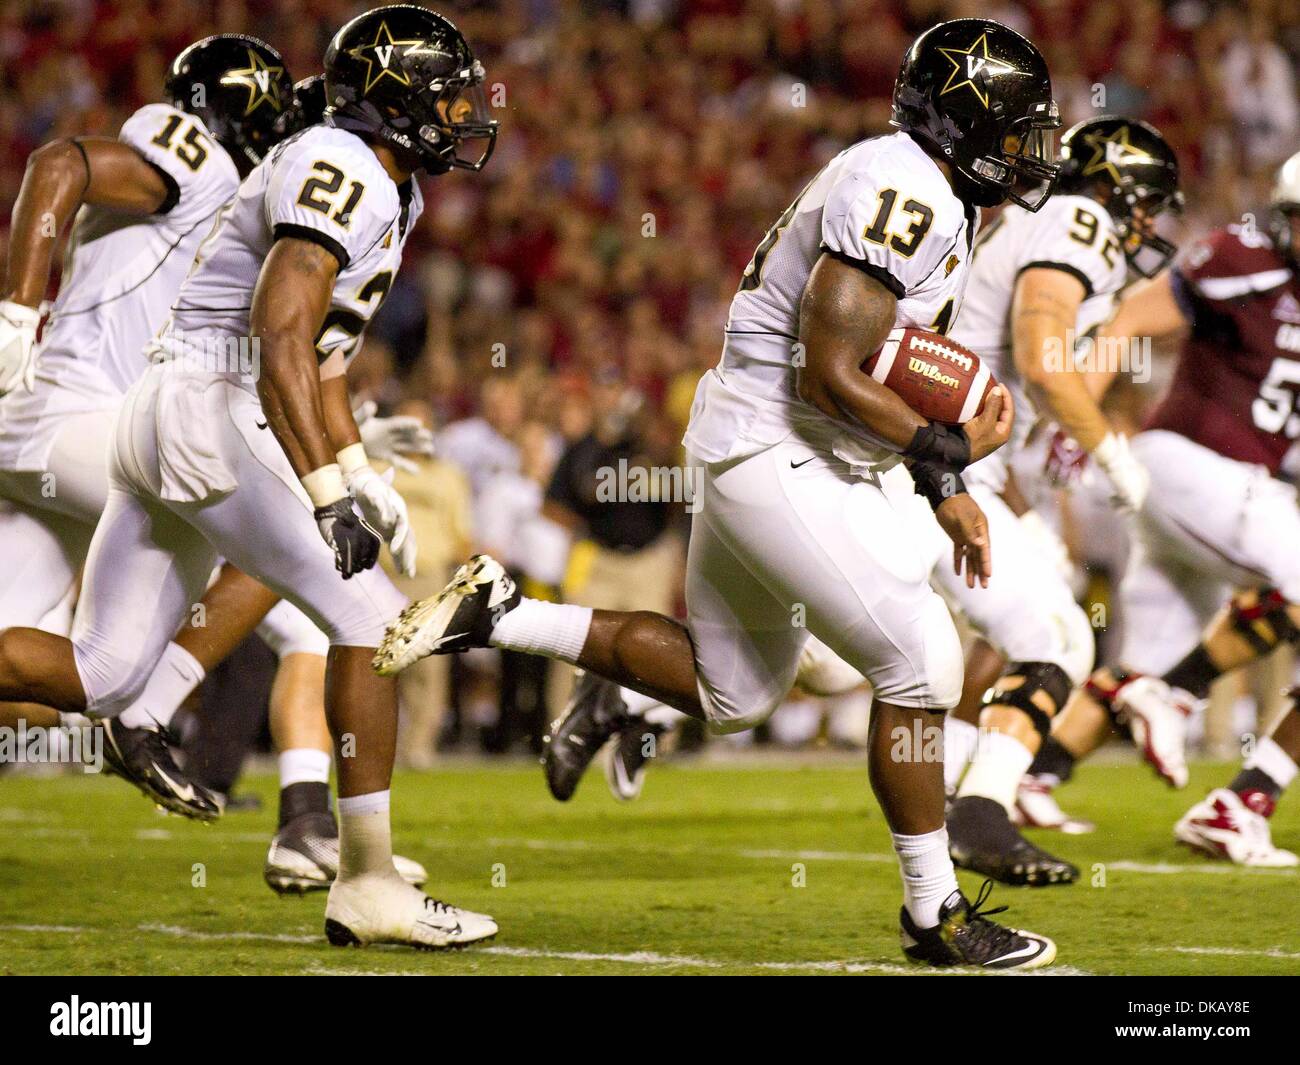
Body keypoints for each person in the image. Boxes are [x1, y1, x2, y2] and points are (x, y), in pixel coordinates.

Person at [380, 18, 1062, 969]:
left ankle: (500, 615)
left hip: (777, 445)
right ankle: (933, 912)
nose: (1028, 149)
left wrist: (938, 473)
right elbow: (832, 369)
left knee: (728, 690)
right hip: (779, 447)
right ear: (961, 123)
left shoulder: (932, 189)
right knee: (925, 664)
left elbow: (882, 364)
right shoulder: (904, 187)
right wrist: (944, 441)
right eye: (1014, 127)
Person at [0, 5, 500, 951]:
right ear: (394, 100)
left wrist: (356, 465)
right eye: (448, 94)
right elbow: (279, 336)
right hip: (206, 406)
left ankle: (336, 848)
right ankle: (365, 879)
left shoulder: (382, 178)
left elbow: (328, 359)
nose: (464, 110)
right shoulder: (346, 166)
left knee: (103, 676)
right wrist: (326, 491)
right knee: (368, 619)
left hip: (160, 406)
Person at [1023, 149, 1300, 868]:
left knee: (1138, 661)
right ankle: (1215, 760)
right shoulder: (1245, 258)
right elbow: (1126, 321)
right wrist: (1076, 417)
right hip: (1193, 471)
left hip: (1209, 498)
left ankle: (1032, 774)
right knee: (1166, 678)